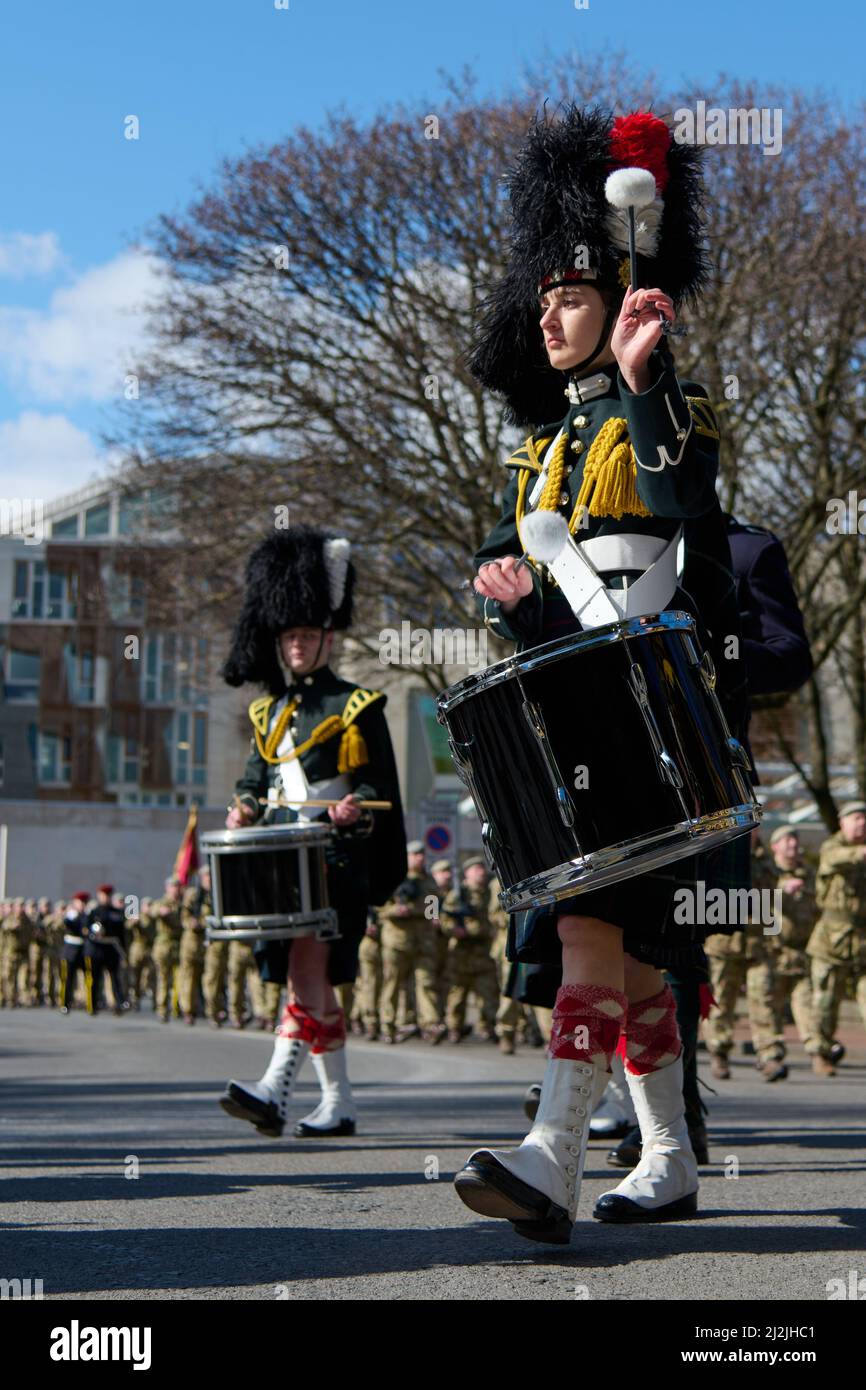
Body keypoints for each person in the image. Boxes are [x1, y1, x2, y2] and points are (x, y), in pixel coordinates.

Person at [451, 105, 751, 1243]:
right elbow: (515, 582)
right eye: (540, 300)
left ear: (615, 298)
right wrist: (504, 594)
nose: (549, 314)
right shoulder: (536, 458)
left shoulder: (669, 407)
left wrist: (640, 378)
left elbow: (685, 505)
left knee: (590, 925)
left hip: (657, 722)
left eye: (567, 294)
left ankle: (551, 1152)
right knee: (623, 963)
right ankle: (666, 1156)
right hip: (576, 723)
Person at [217, 525, 406, 1138]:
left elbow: (379, 788)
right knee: (313, 980)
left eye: (305, 636)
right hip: (276, 859)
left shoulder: (357, 706)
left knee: (306, 971)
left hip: (332, 859)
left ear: (328, 637)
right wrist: (243, 806)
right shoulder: (269, 712)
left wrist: (356, 805)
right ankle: (340, 1102)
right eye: (288, 637)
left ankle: (274, 1087)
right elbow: (255, 777)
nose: (294, 647)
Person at [806, 801, 866, 1076]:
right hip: (831, 940)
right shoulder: (832, 847)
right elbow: (839, 859)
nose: (861, 823)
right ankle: (821, 1052)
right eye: (855, 818)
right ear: (842, 822)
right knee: (826, 1002)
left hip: (863, 939)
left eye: (864, 819)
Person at [441, 858, 500, 1043]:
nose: (480, 872)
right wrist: (454, 930)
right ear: (467, 873)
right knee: (458, 994)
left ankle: (487, 1027)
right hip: (461, 953)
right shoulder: (457, 895)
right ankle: (454, 1028)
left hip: (483, 951)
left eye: (482, 869)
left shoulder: (490, 892)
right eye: (475, 869)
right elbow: (442, 918)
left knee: (488, 994)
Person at [377, 841, 430, 1043]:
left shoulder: (427, 880)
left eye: (422, 854)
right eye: (415, 854)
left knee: (425, 982)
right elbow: (380, 907)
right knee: (392, 984)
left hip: (421, 942)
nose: (420, 858)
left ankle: (428, 1024)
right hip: (396, 941)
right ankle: (387, 1024)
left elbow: (431, 909)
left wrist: (420, 912)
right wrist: (394, 911)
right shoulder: (393, 878)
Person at [87, 884, 128, 1015]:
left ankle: (120, 1002)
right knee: (95, 978)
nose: (106, 898)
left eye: (108, 895)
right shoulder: (94, 912)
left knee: (115, 978)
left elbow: (121, 934)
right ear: (99, 896)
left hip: (111, 947)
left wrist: (124, 951)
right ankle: (92, 1004)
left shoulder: (116, 912)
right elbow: (86, 929)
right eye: (104, 895)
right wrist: (93, 933)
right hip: (97, 948)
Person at [60, 892, 91, 1014]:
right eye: (80, 903)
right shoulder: (71, 915)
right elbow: (70, 925)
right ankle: (65, 1003)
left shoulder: (88, 916)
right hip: (71, 951)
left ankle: (89, 1003)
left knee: (88, 978)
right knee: (68, 979)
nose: (82, 905)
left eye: (84, 903)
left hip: (83, 950)